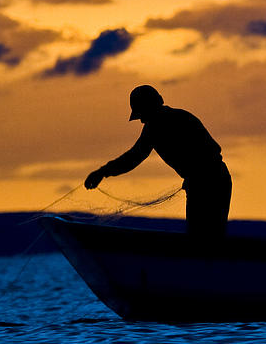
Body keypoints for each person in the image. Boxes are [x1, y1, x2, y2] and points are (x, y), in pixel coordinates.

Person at [84, 85, 232, 238]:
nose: (141, 120)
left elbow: (133, 157)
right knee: (207, 237)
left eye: (141, 114)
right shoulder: (182, 117)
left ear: (148, 108)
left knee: (202, 239)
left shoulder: (156, 126)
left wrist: (102, 172)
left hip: (209, 183)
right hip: (213, 180)